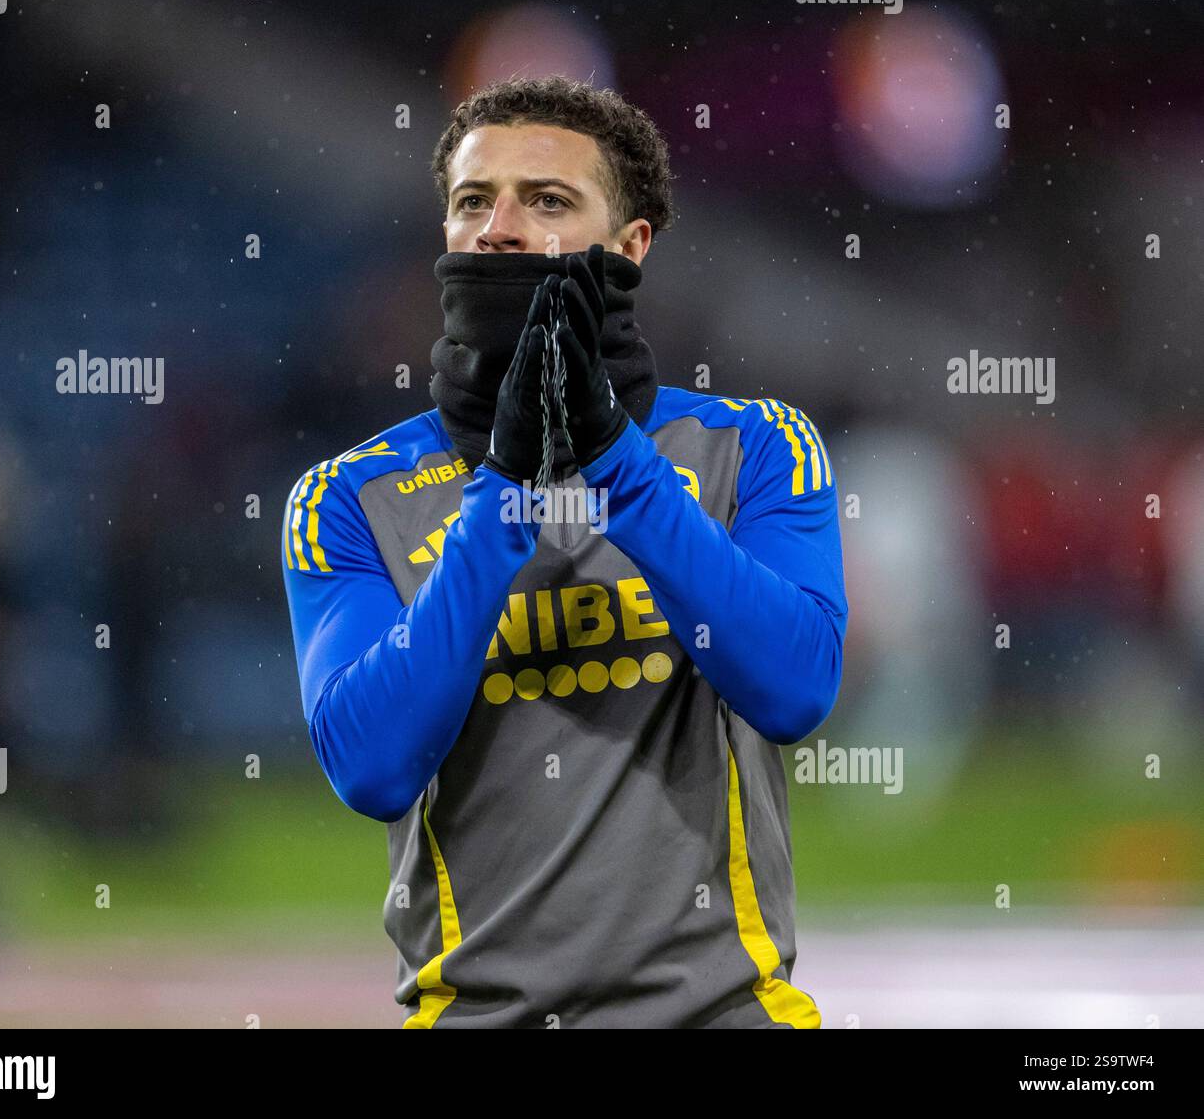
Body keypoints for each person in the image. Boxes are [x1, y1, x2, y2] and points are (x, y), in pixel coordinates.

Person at [282, 74, 847, 1028]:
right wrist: (504, 490)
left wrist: (616, 466)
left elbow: (795, 689)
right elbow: (371, 767)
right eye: (473, 202)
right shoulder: (347, 496)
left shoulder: (754, 446)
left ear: (630, 246)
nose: (500, 229)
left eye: (546, 202)